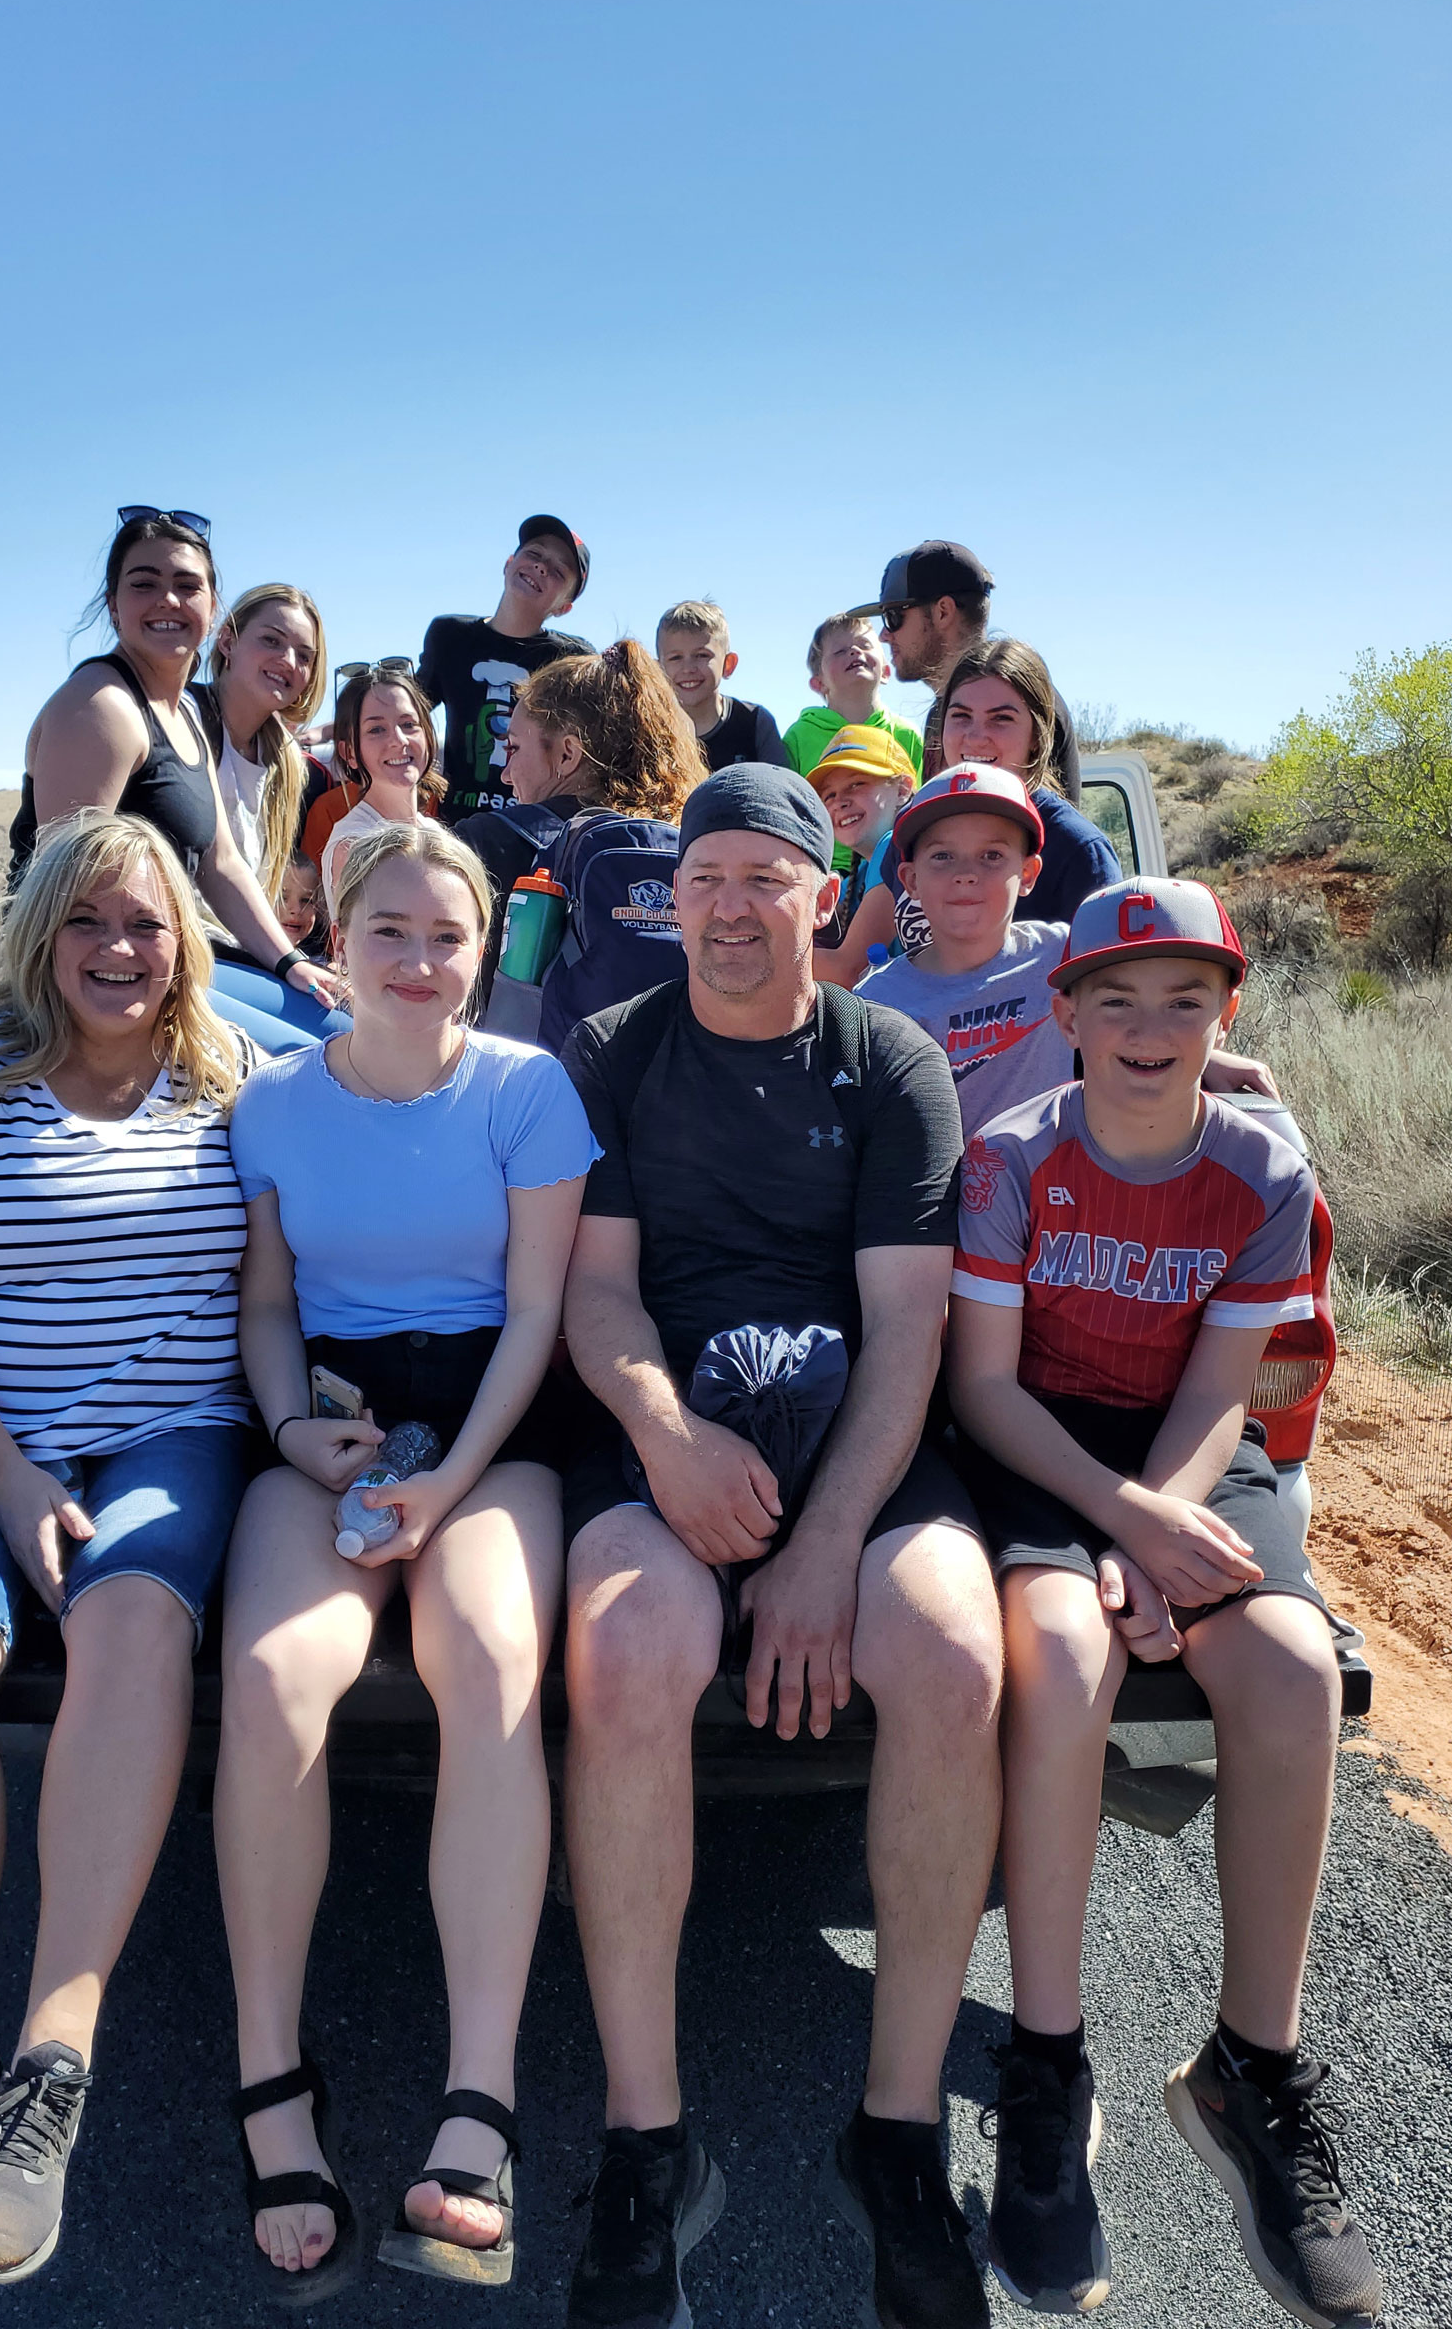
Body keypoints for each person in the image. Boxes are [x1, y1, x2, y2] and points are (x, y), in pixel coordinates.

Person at [558, 763, 1003, 2329]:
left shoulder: (890, 1061)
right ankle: (646, 2142)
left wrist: (823, 1551)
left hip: (860, 1461)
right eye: (707, 879)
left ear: (826, 896)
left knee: (954, 1655)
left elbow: (907, 1333)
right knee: (620, 1654)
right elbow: (596, 1293)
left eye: (768, 878)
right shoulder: (611, 1052)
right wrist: (669, 1442)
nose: (734, 907)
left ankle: (897, 2133)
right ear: (667, 898)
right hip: (669, 1450)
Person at [945, 879, 1384, 2326]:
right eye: (1116, 999)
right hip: (1042, 1441)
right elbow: (986, 1392)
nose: (1150, 1028)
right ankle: (1048, 2060)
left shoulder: (1261, 1174)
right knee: (1063, 1657)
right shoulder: (1012, 1161)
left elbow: (1221, 1387)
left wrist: (1167, 1524)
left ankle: (1250, 2069)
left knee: (1288, 1668)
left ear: (1227, 1013)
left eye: (1184, 999)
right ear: (1061, 1013)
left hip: (1192, 1452)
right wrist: (1119, 1523)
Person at [0, 812, 260, 2291]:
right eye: (85, 920)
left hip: (172, 1433)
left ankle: (49, 2069)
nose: (116, 949)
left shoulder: (230, 1080)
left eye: (144, 923)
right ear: (39, 930)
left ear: (183, 940)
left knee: (134, 1626)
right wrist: (10, 1474)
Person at [214, 820, 598, 2298]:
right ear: (333, 928)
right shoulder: (274, 1107)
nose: (423, 963)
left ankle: (477, 2094)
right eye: (391, 933)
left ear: (483, 944)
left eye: (450, 936)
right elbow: (267, 1305)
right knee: (272, 1672)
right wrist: (290, 1429)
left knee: (492, 1659)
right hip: (336, 1415)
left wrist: (451, 1492)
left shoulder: (527, 1091)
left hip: (499, 1417)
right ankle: (270, 2078)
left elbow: (537, 1315)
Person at [7, 509, 337, 1051]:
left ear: (212, 610)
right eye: (145, 584)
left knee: (348, 1035)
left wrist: (290, 962)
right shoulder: (102, 708)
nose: (168, 600)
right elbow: (62, 889)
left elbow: (220, 862)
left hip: (176, 961)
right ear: (114, 606)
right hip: (105, 979)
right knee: (308, 1062)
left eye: (188, 586)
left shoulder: (183, 717)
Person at [864, 766, 1279, 1138]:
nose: (966, 875)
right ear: (910, 879)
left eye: (992, 855)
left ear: (1028, 874)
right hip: (930, 1207)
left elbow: (1148, 1003)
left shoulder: (1064, 952)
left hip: (1051, 1196)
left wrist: (1209, 1060)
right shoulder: (874, 1004)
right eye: (942, 856)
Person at [828, 640, 1121, 975]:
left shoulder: (1079, 852)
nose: (976, 736)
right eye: (961, 716)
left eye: (1001, 719)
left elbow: (1106, 994)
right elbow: (858, 964)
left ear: (1037, 736)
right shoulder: (911, 833)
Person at [456, 638, 707, 1015]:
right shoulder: (698, 844)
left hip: (535, 1072)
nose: (506, 775)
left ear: (567, 754)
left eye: (514, 749)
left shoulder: (488, 842)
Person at [194, 582, 338, 1025]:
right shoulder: (184, 724)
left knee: (350, 1022)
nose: (288, 661)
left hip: (242, 952)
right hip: (186, 956)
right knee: (322, 1042)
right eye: (271, 640)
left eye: (304, 655)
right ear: (228, 641)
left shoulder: (287, 762)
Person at [855, 540, 1083, 799]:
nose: (884, 635)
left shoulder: (1026, 701)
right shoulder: (941, 715)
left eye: (894, 617)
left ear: (943, 612)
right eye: (961, 717)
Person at [418, 513, 595, 820]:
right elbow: (412, 705)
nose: (541, 567)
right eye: (534, 554)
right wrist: (328, 731)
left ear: (564, 607)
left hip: (535, 828)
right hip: (459, 824)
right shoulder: (449, 636)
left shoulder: (572, 659)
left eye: (558, 571)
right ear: (508, 563)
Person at [780, 613, 921, 873]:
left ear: (887, 671)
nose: (855, 651)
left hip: (896, 864)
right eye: (840, 651)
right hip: (822, 868)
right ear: (818, 683)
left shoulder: (907, 734)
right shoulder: (799, 736)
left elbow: (918, 804)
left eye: (865, 645)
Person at [317, 662, 446, 905]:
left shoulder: (436, 835)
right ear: (350, 753)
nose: (399, 740)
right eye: (377, 729)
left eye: (408, 724)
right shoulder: (353, 845)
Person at [803, 721, 920, 946]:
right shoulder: (859, 878)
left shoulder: (897, 848)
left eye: (856, 784)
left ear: (903, 789)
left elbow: (849, 967)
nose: (840, 802)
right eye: (829, 796)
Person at [654, 598, 787, 770]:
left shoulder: (754, 723)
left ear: (728, 664)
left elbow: (779, 790)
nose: (688, 669)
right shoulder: (652, 731)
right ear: (657, 670)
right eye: (676, 658)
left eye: (702, 655)